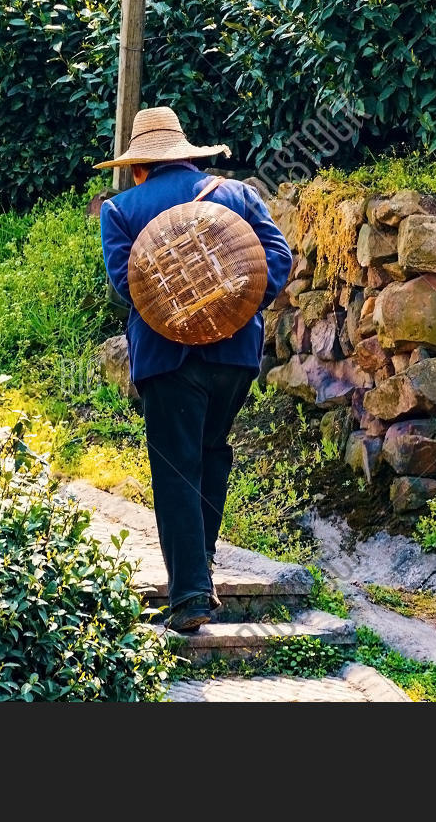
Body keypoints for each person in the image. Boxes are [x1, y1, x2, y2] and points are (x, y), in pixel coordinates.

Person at [96, 107, 292, 633]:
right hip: (234, 356)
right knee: (211, 453)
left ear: (139, 166)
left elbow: (125, 286)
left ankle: (188, 597)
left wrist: (181, 308)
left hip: (167, 357)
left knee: (176, 467)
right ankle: (199, 573)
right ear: (187, 155)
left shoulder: (120, 210)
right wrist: (234, 305)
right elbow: (278, 260)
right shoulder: (238, 195)